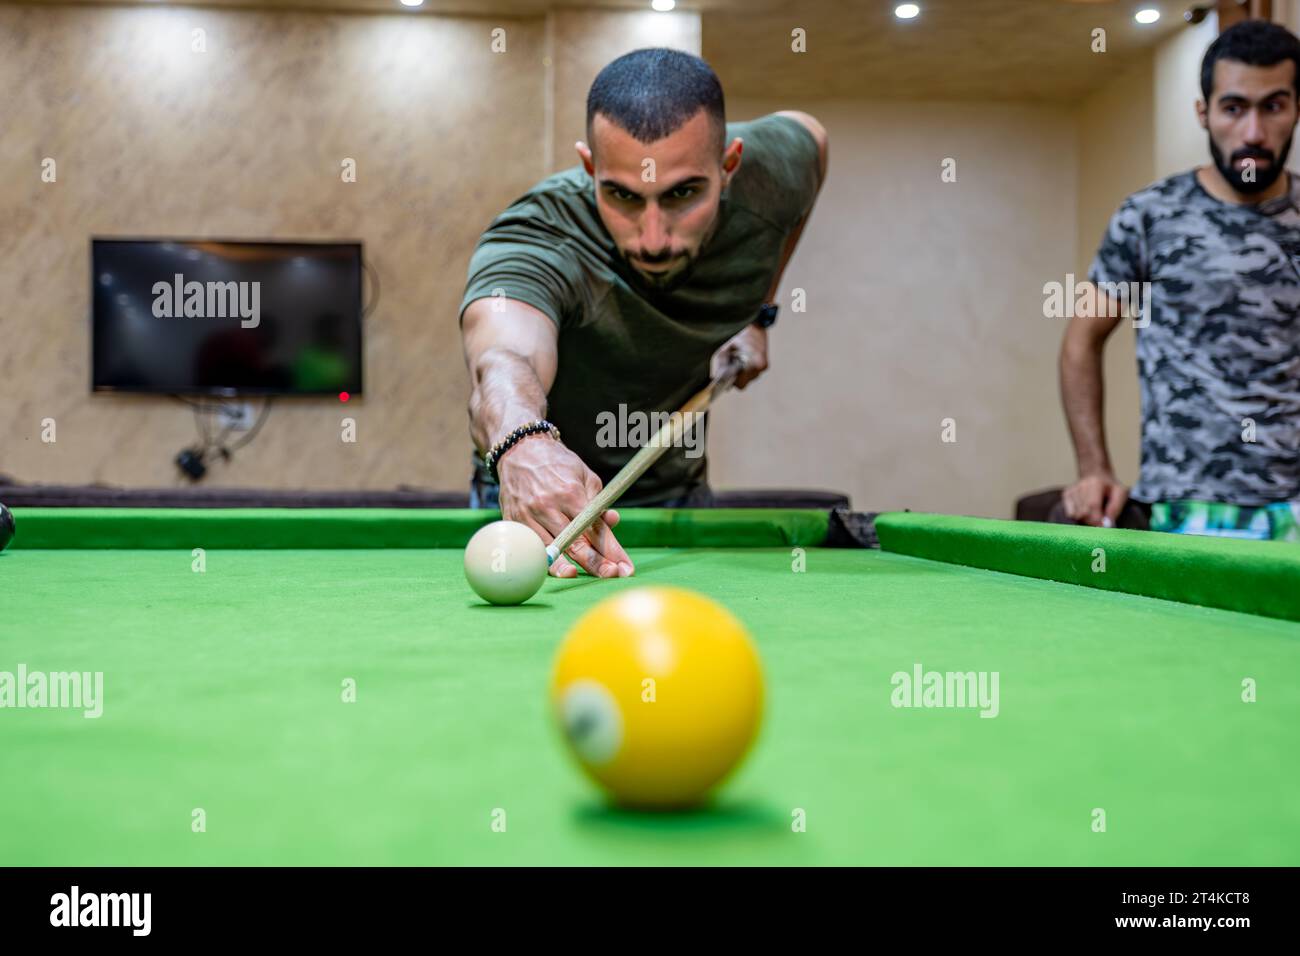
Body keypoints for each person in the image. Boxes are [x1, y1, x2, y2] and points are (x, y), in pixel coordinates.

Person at [459, 48, 828, 577]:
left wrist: (759, 313)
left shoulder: (776, 173)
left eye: (683, 194)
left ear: (730, 165)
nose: (653, 239)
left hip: (675, 489)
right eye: (623, 197)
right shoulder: (539, 236)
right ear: (590, 169)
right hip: (529, 496)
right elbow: (502, 356)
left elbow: (813, 138)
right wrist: (524, 441)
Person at [1057, 19, 1300, 541]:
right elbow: (1081, 340)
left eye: (1273, 106)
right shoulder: (1148, 217)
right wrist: (1093, 468)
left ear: (1296, 109)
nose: (1253, 133)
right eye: (1234, 108)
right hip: (1179, 511)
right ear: (1203, 112)